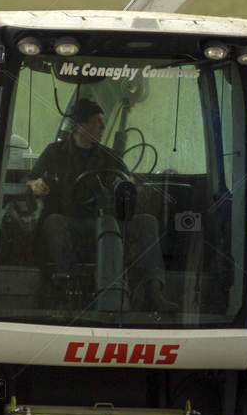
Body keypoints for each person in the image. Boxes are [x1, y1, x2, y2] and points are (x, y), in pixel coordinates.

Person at [29, 99, 174, 312]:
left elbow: (129, 181)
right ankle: (68, 288)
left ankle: (154, 290)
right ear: (80, 125)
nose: (103, 127)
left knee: (147, 223)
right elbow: (31, 180)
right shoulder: (54, 152)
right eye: (98, 122)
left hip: (108, 222)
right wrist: (36, 185)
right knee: (53, 223)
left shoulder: (108, 156)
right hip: (72, 223)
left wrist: (127, 184)